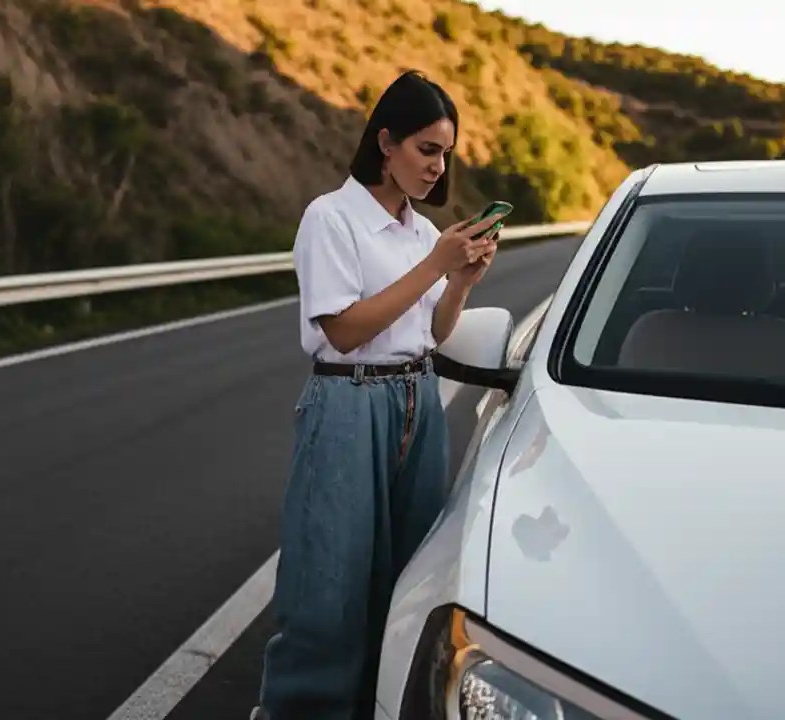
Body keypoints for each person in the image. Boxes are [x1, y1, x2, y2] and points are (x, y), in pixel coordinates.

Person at [252, 70, 502, 720]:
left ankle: (377, 705)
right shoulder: (330, 218)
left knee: (409, 580)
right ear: (385, 143)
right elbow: (343, 328)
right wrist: (436, 266)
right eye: (426, 149)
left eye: (446, 153)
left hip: (418, 397)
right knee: (328, 585)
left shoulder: (425, 234)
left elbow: (430, 334)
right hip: (348, 402)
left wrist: (461, 283)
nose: (437, 165)